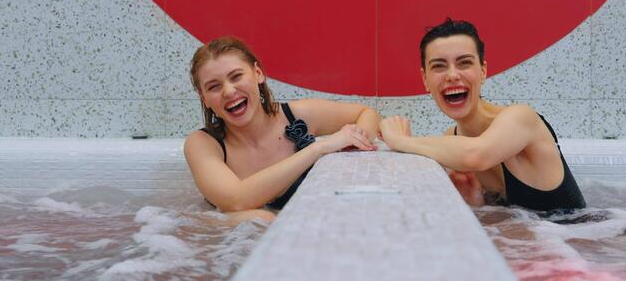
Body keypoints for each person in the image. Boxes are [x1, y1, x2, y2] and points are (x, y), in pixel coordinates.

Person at [379, 18, 585, 212]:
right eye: (439, 66)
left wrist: (400, 140)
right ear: (425, 79)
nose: (452, 75)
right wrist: (476, 203)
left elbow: (476, 155)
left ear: (483, 71)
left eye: (464, 63)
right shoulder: (453, 141)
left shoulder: (522, 118)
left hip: (583, 240)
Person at [185, 36, 380, 218]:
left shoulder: (296, 115)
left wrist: (352, 152)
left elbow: (366, 114)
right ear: (204, 98)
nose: (228, 91)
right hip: (234, 248)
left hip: (309, 231)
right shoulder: (203, 144)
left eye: (236, 76)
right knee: (248, 217)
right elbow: (236, 201)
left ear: (258, 74)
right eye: (214, 86)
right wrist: (318, 149)